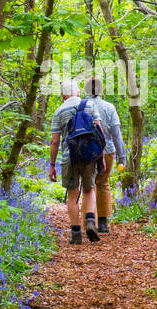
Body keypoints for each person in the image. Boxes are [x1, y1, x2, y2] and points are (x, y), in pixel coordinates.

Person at [48, 81, 105, 244]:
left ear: (63, 96)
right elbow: (99, 132)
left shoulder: (59, 111)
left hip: (69, 158)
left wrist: (52, 165)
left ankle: (76, 234)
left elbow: (54, 141)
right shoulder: (90, 105)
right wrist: (100, 156)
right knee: (89, 190)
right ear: (78, 93)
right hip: (89, 156)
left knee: (72, 194)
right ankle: (89, 221)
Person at [85, 75, 127, 235]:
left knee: (89, 186)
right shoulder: (109, 107)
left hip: (86, 151)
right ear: (101, 89)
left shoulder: (82, 106)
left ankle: (90, 221)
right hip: (107, 150)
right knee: (103, 183)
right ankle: (103, 223)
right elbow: (116, 134)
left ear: (86, 89)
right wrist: (122, 157)